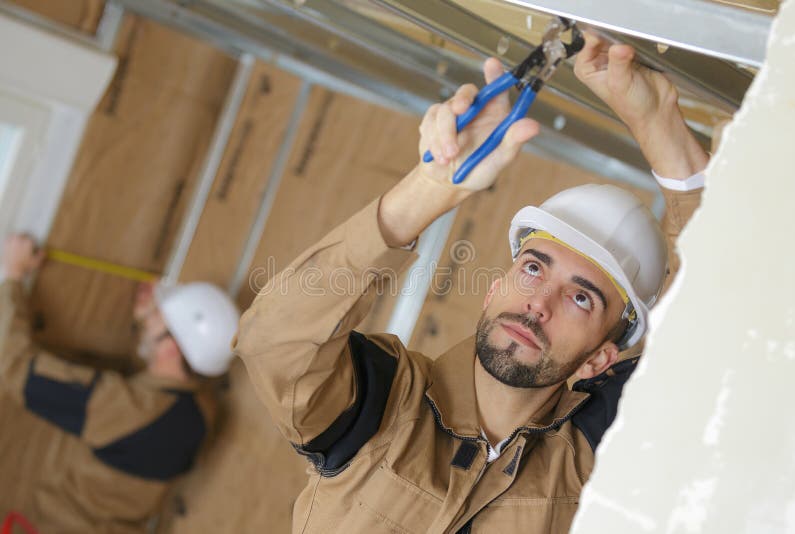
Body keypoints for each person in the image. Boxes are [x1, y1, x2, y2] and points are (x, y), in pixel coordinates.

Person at [234, 35, 708, 533]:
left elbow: (722, 325)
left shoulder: (593, 469)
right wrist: (429, 190)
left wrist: (663, 133)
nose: (538, 304)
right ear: (493, 288)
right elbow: (274, 342)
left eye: (581, 297)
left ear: (599, 360)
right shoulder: (381, 406)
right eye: (532, 268)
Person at [0, 235, 240, 533]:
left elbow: (12, 365)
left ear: (171, 348)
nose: (150, 316)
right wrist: (147, 319)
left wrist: (13, 274)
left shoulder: (122, 408)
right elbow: (153, 397)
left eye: (157, 316)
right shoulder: (201, 413)